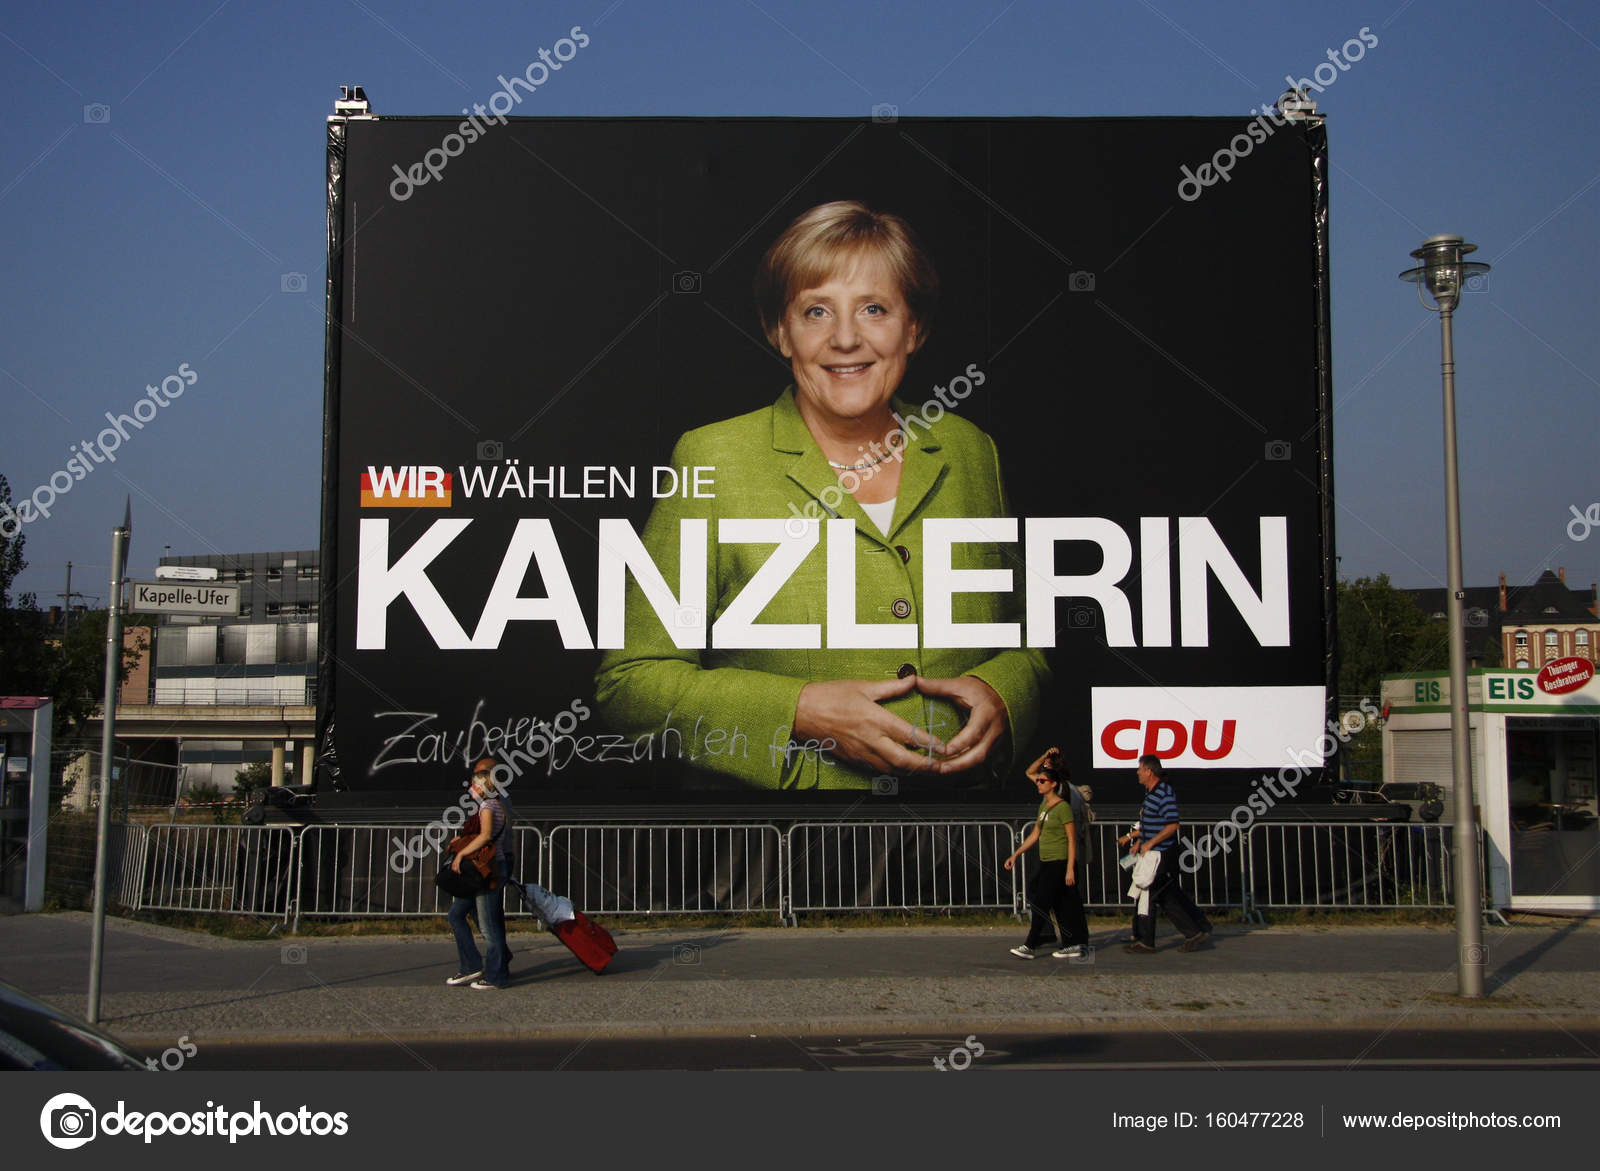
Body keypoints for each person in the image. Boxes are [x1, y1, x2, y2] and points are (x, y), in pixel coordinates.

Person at [594, 200, 1049, 790]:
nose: (845, 338)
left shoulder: (969, 451)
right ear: (780, 330)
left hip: (959, 845)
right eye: (816, 311)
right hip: (788, 855)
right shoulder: (713, 457)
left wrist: (1003, 692)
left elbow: (1026, 639)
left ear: (914, 327)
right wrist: (798, 709)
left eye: (874, 309)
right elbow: (630, 684)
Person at [1119, 754, 1211, 953]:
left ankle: (1149, 941)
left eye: (1140, 769)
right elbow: (1152, 823)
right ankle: (1193, 931)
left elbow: (1172, 825)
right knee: (1163, 895)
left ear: (1149, 771)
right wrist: (1140, 842)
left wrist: (1150, 842)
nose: (1137, 773)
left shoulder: (1163, 792)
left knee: (1151, 894)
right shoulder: (1151, 794)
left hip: (1161, 854)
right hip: (1152, 852)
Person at [1003, 748, 1089, 959]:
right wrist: (1016, 854)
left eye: (1044, 776)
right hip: (1050, 855)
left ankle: (1034, 942)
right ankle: (1073, 941)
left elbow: (1071, 835)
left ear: (1053, 780)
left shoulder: (1065, 798)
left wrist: (1070, 866)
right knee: (1063, 901)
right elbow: (1036, 833)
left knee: (1047, 899)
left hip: (1062, 856)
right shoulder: (1047, 800)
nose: (1039, 779)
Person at [445, 760, 513, 989]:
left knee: (488, 925)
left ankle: (496, 975)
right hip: (487, 867)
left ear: (483, 786)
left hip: (487, 869)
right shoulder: (497, 805)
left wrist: (460, 854)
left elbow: (485, 836)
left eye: (473, 785)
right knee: (457, 914)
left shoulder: (488, 806)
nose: (470, 789)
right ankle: (472, 965)